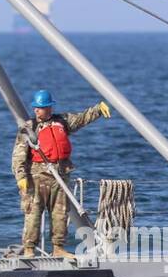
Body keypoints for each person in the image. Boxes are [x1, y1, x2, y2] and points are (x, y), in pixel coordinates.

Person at [11, 89, 110, 258]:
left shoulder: (61, 121)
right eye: (44, 107)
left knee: (60, 213)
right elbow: (18, 155)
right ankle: (29, 249)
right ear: (36, 109)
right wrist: (21, 177)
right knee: (33, 213)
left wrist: (98, 110)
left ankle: (58, 247)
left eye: (49, 106)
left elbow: (81, 119)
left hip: (61, 175)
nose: (47, 110)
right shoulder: (29, 128)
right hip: (37, 177)